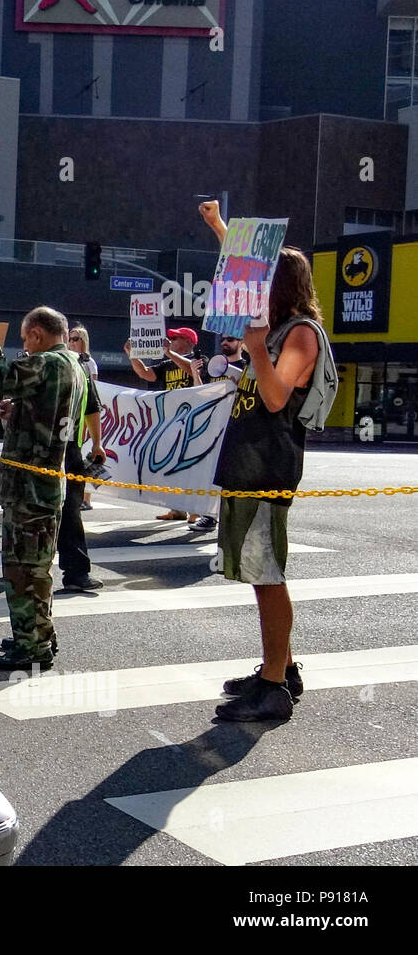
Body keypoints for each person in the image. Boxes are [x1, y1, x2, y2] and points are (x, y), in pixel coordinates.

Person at [204, 210, 328, 720]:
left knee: (268, 573)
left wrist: (255, 351)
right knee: (258, 572)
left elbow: (277, 399)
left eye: (262, 282)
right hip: (248, 463)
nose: (250, 290)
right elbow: (240, 269)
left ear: (280, 287)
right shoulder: (279, 331)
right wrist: (219, 228)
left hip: (268, 465)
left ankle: (275, 685)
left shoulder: (300, 334)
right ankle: (281, 667)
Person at [0, 300, 84, 670]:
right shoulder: (75, 367)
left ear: (36, 334)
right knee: (37, 567)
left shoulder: (50, 362)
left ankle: (30, 646)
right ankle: (36, 633)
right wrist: (13, 412)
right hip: (46, 482)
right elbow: (46, 411)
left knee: (22, 569)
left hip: (30, 484)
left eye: (26, 340)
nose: (25, 348)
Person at [126, 326, 210, 528]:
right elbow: (146, 374)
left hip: (193, 421)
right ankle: (177, 508)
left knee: (191, 465)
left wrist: (168, 353)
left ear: (189, 342)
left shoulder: (200, 360)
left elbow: (192, 370)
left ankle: (195, 511)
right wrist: (131, 355)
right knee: (172, 465)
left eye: (175, 338)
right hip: (171, 421)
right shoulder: (167, 363)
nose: (170, 340)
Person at [56, 328, 108, 594]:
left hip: (68, 451)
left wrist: (97, 443)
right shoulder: (72, 368)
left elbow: (92, 406)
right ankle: (74, 572)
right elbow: (93, 408)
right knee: (67, 512)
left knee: (70, 512)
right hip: (60, 452)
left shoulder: (81, 368)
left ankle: (75, 571)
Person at [67, 324, 98, 510]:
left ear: (83, 341)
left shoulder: (89, 363)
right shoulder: (68, 359)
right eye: (70, 338)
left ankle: (86, 497)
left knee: (86, 457)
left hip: (85, 417)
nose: (71, 342)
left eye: (75, 338)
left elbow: (93, 393)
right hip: (71, 418)